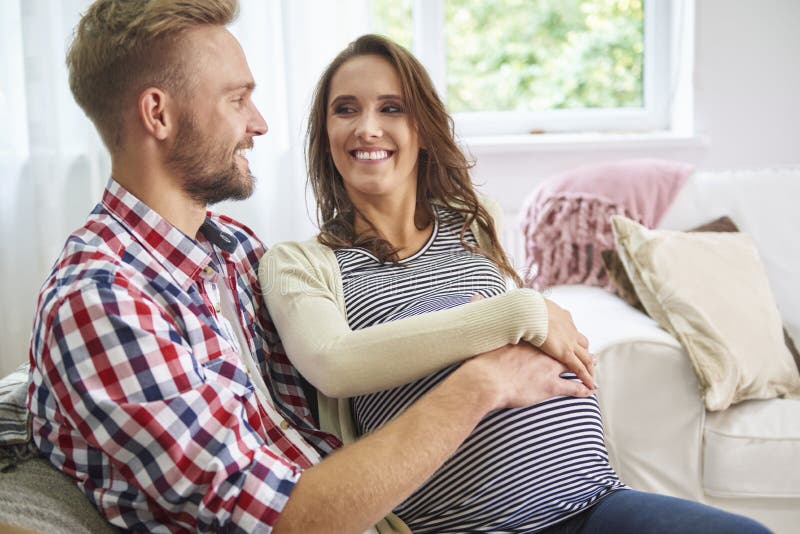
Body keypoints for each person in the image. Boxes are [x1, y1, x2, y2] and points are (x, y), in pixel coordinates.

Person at [26, 1, 596, 533]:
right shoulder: (101, 298)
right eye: (236, 99)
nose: (260, 123)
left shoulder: (236, 253)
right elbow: (283, 519)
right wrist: (485, 380)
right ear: (159, 114)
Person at [260, 34, 772, 533]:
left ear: (423, 128)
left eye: (392, 108)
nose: (368, 127)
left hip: (596, 501)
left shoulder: (475, 222)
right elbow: (335, 362)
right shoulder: (302, 262)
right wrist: (517, 315)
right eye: (346, 109)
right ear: (324, 134)